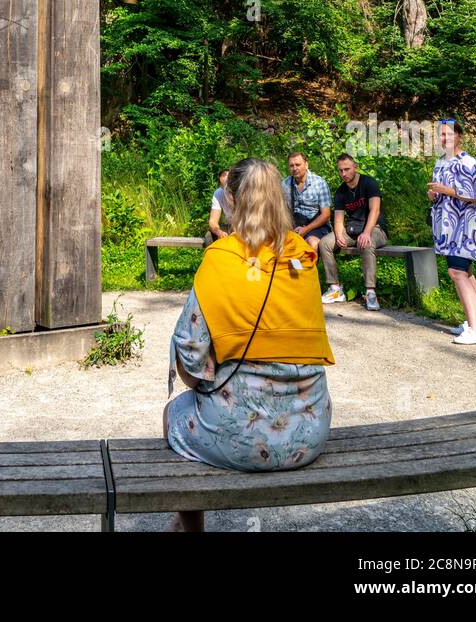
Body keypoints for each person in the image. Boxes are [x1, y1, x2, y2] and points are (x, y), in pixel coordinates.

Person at [164, 158, 334, 532]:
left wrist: (205, 381)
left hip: (239, 434)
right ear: (280, 198)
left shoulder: (221, 260)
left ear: (231, 199)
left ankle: (189, 525)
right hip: (310, 429)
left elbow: (190, 356)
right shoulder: (302, 259)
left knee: (175, 415)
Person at [429, 119, 476, 346]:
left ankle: (475, 332)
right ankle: (474, 322)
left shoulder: (470, 163)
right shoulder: (440, 163)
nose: (445, 139)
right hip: (447, 227)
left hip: (467, 226)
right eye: (441, 135)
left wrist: (448, 190)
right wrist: (434, 195)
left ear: (459, 137)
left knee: (456, 272)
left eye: (449, 134)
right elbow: (441, 193)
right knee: (466, 272)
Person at [319, 155, 388, 311]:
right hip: (352, 230)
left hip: (375, 228)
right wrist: (338, 235)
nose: (344, 173)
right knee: (325, 243)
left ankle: (370, 291)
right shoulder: (341, 192)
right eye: (340, 170)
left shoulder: (369, 183)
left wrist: (367, 233)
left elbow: (375, 210)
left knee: (366, 243)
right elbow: (338, 219)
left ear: (355, 167)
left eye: (347, 169)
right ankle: (335, 289)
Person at [282, 151, 332, 253]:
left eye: (298, 165)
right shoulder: (285, 184)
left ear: (306, 164)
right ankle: (290, 269)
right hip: (293, 226)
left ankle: (310, 269)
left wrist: (306, 229)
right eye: (291, 166)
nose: (295, 168)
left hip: (316, 226)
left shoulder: (319, 183)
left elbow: (326, 215)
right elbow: (281, 211)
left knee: (312, 243)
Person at [203, 168, 234, 246]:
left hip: (248, 227)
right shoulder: (218, 193)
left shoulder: (243, 191)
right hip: (230, 226)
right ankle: (213, 257)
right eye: (224, 175)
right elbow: (213, 221)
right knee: (209, 236)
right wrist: (219, 232)